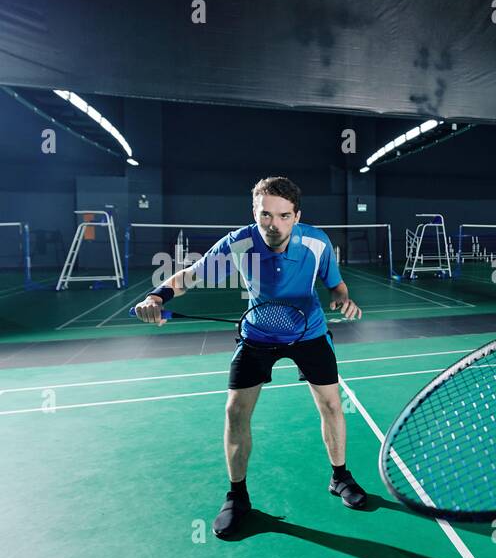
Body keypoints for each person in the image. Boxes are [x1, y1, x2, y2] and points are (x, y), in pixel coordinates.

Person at [134, 176, 368, 539]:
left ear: (296, 215)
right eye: (265, 215)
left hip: (310, 332)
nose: (273, 225)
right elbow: (190, 276)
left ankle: (340, 476)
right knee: (235, 411)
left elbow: (336, 285)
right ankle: (237, 496)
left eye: (283, 216)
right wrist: (156, 297)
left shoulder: (316, 242)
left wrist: (341, 298)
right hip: (258, 333)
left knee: (332, 405)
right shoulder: (239, 243)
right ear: (254, 212)